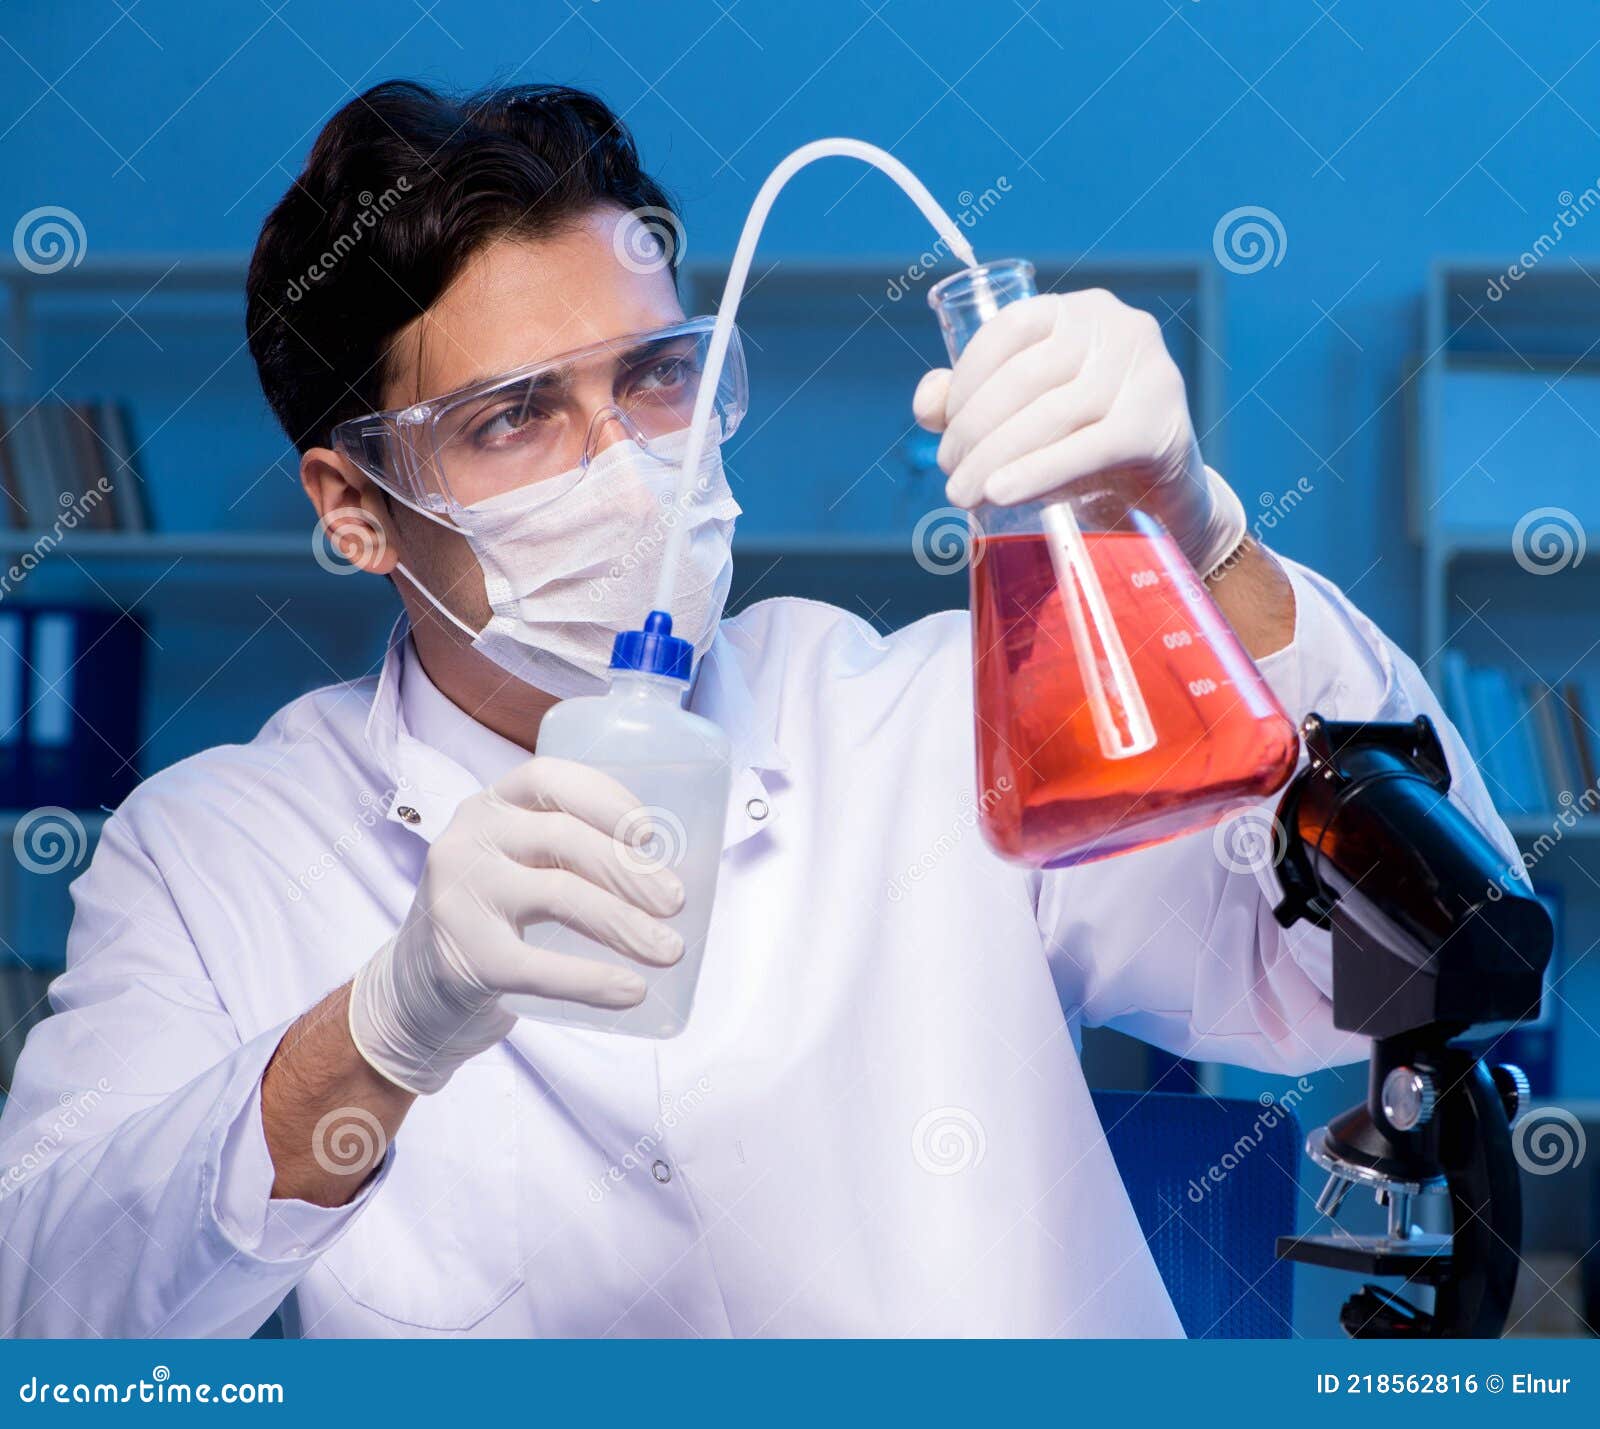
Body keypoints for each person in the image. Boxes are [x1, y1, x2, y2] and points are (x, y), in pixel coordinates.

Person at [0, 81, 1516, 1338]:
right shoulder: (208, 856)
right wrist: (382, 1029)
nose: (627, 464)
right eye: (518, 415)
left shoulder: (924, 720)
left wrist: (1203, 551)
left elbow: (1419, 951)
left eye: (659, 377)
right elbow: (46, 1313)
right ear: (355, 505)